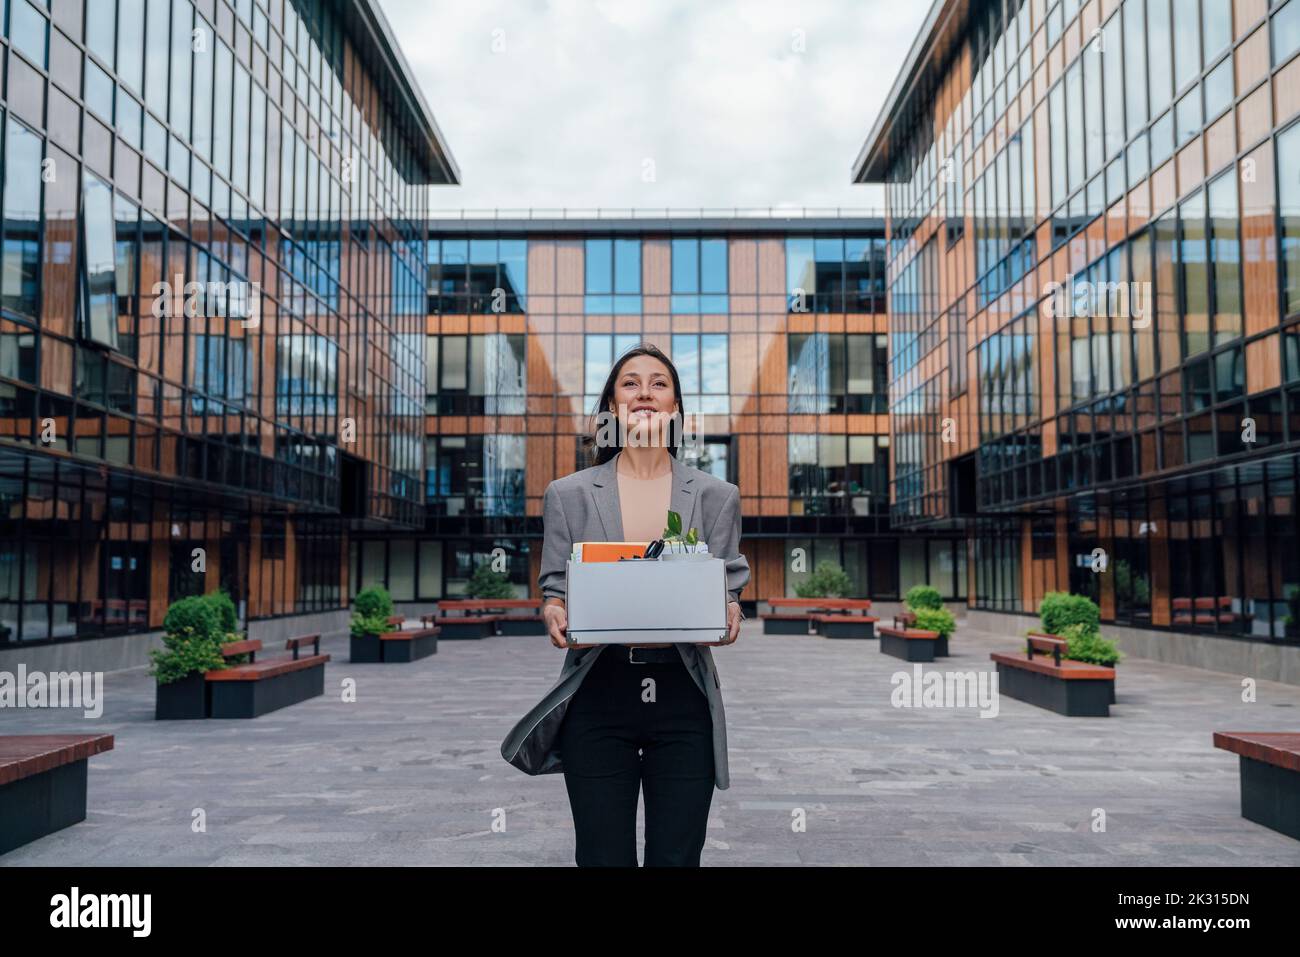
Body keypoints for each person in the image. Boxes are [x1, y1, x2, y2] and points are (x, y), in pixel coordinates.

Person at [499, 343, 749, 866]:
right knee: (601, 854)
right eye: (630, 383)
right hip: (599, 690)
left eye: (659, 383)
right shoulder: (568, 494)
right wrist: (553, 611)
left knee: (677, 856)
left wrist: (730, 612)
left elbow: (726, 584)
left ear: (676, 407)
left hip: (683, 692)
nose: (644, 393)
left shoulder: (715, 495)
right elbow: (555, 587)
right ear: (612, 406)